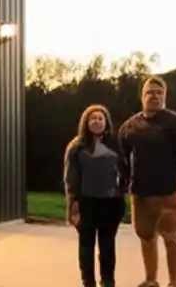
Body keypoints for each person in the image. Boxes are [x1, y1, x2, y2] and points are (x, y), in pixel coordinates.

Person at [118, 76, 176, 287]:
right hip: (140, 193)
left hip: (169, 193)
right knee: (146, 238)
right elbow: (122, 160)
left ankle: (174, 283)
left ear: (164, 97)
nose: (154, 96)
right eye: (149, 92)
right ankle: (151, 279)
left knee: (171, 239)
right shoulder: (129, 127)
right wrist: (124, 186)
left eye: (159, 92)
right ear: (142, 97)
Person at [64, 104, 127, 287]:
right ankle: (88, 281)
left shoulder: (116, 145)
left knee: (108, 246)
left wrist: (123, 189)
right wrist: (72, 203)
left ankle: (108, 281)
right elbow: (70, 177)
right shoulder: (76, 147)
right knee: (86, 246)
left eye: (100, 118)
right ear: (86, 122)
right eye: (93, 118)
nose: (97, 121)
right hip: (86, 203)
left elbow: (125, 170)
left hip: (111, 203)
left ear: (106, 122)